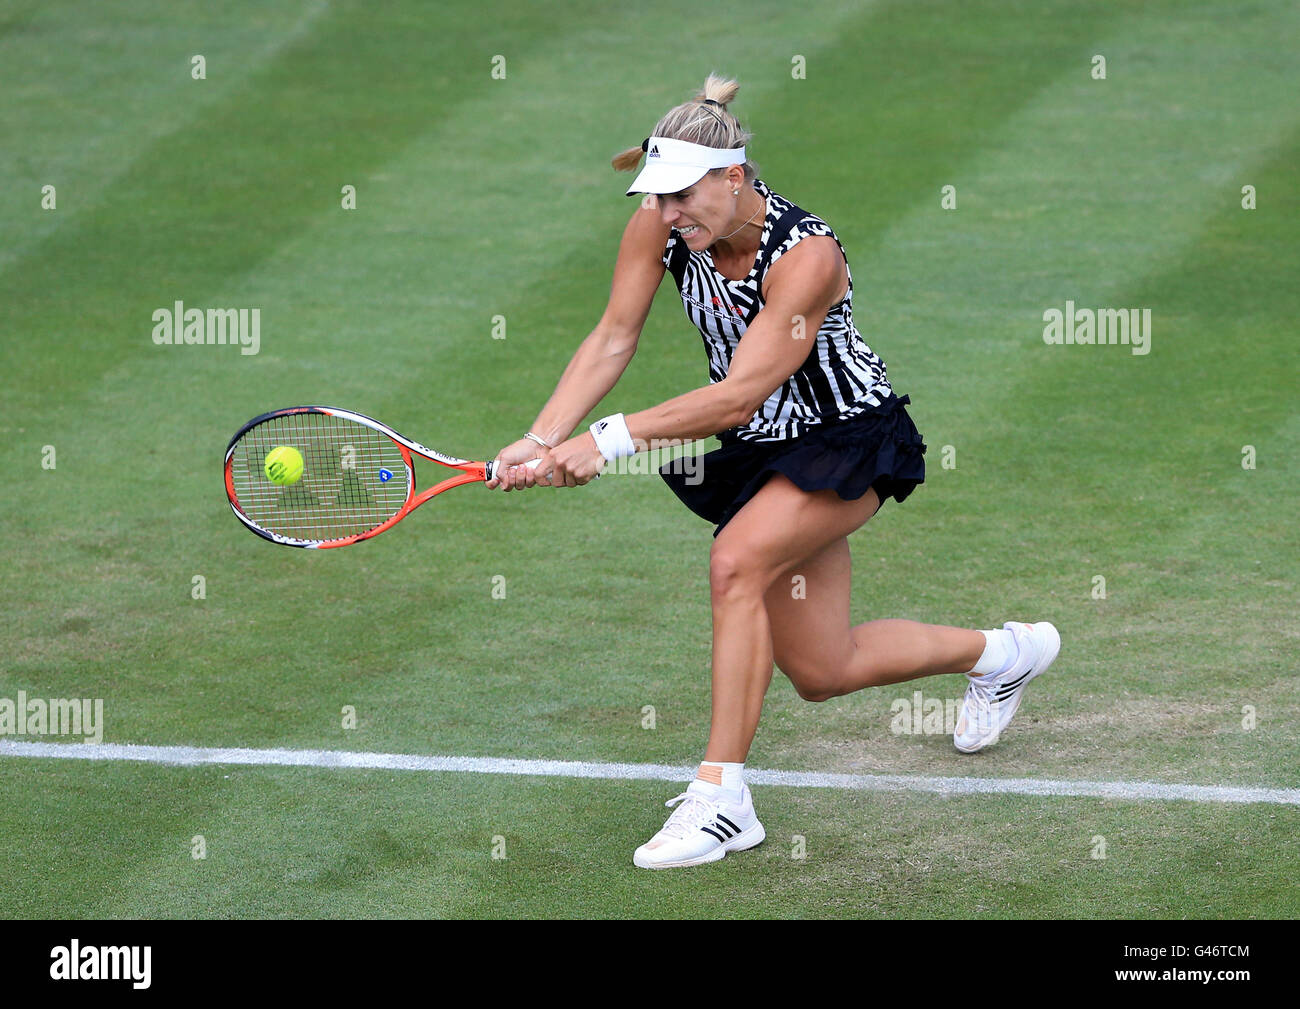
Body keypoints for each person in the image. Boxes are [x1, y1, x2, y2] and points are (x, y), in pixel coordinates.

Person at [487, 74, 1060, 869]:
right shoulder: (662, 229)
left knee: (737, 563)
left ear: (733, 177)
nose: (663, 214)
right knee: (823, 669)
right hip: (763, 445)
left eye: (679, 196)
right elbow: (614, 337)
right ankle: (1006, 654)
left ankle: (722, 798)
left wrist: (607, 441)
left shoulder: (808, 256)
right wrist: (543, 436)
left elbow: (743, 389)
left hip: (847, 439)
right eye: (655, 197)